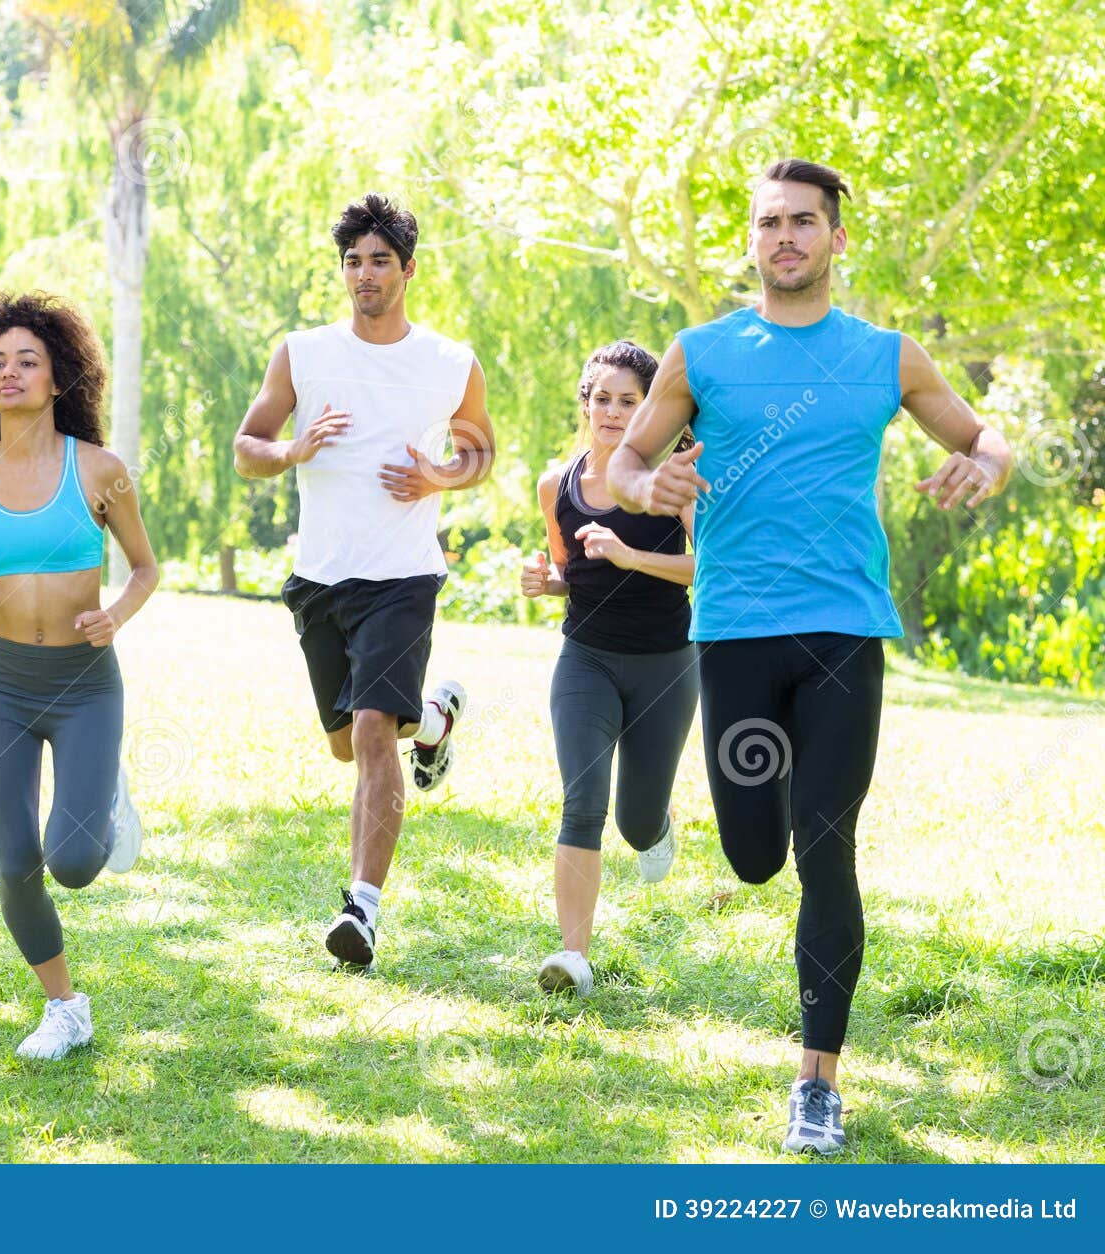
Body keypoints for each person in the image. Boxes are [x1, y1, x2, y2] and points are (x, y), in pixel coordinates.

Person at [607, 158, 1013, 1154]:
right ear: (751, 242)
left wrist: (984, 464)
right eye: (767, 224)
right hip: (736, 631)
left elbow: (983, 437)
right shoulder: (699, 355)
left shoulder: (886, 355)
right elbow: (616, 462)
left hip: (843, 630)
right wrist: (641, 485)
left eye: (801, 222)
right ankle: (759, 817)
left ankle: (815, 1083)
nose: (783, 237)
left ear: (835, 239)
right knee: (756, 858)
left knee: (826, 845)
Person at [233, 192, 495, 969]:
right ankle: (436, 720)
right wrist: (293, 450)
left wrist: (439, 477)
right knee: (349, 745)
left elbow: (480, 450)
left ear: (408, 270)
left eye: (381, 260)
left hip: (403, 575)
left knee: (377, 732)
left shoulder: (450, 361)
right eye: (353, 261)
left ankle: (363, 911)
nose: (365, 273)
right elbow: (248, 445)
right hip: (320, 578)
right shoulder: (303, 352)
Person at [0, 292, 159, 1062]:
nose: (9, 374)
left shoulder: (101, 471)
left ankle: (104, 794)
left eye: (27, 361)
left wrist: (116, 612)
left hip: (85, 684)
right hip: (2, 686)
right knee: (16, 863)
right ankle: (64, 1006)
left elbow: (147, 569)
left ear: (59, 378)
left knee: (76, 863)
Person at [520, 340, 698, 997]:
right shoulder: (556, 484)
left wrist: (633, 556)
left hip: (667, 665)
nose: (613, 412)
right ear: (585, 405)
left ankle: (655, 827)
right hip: (585, 659)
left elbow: (709, 569)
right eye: (601, 399)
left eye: (630, 401)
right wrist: (548, 582)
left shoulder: (675, 478)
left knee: (635, 819)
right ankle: (574, 957)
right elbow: (573, 570)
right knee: (583, 800)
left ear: (650, 409)